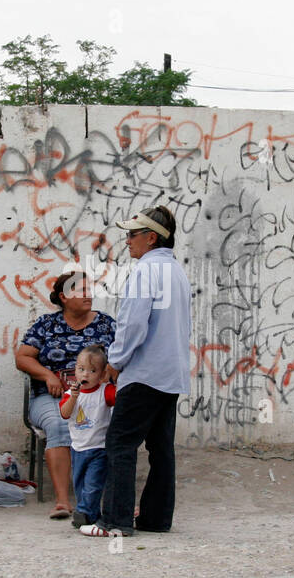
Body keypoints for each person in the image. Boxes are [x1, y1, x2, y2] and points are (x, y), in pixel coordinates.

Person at [81, 206, 191, 538]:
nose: (127, 241)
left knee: (120, 444)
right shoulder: (177, 272)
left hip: (143, 373)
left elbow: (132, 325)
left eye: (132, 235)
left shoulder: (145, 272)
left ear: (151, 237)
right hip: (170, 374)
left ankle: (115, 521)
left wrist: (115, 362)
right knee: (161, 449)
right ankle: (155, 519)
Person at [15, 272, 116, 519]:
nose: (87, 294)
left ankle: (109, 497)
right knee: (61, 424)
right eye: (79, 290)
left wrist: (113, 368)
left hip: (98, 398)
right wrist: (48, 376)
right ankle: (63, 500)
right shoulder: (46, 324)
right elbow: (22, 357)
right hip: (51, 398)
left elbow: (126, 353)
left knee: (112, 425)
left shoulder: (106, 324)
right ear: (63, 296)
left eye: (88, 289)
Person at [58, 345, 117, 529]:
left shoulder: (105, 391)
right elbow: (65, 413)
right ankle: (90, 514)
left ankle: (84, 512)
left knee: (93, 484)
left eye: (92, 371)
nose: (85, 375)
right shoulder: (69, 394)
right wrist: (74, 398)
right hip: (78, 448)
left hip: (99, 447)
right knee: (80, 484)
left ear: (102, 373)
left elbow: (118, 399)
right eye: (81, 369)